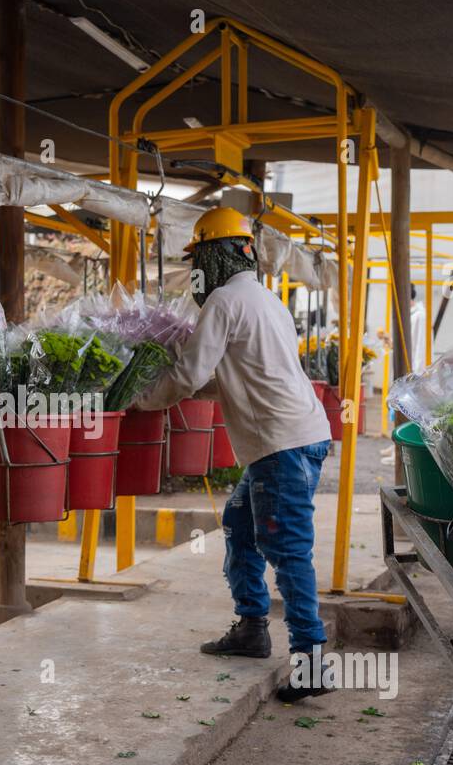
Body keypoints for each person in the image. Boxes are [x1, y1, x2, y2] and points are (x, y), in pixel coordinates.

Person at [135, 205, 333, 700]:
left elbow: (188, 375)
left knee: (287, 548)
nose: (198, 271)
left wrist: (141, 398)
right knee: (239, 526)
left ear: (217, 256)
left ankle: (311, 661)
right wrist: (177, 391)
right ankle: (251, 627)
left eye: (200, 258)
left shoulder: (223, 301)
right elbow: (230, 377)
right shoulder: (268, 301)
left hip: (281, 445)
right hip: (297, 435)